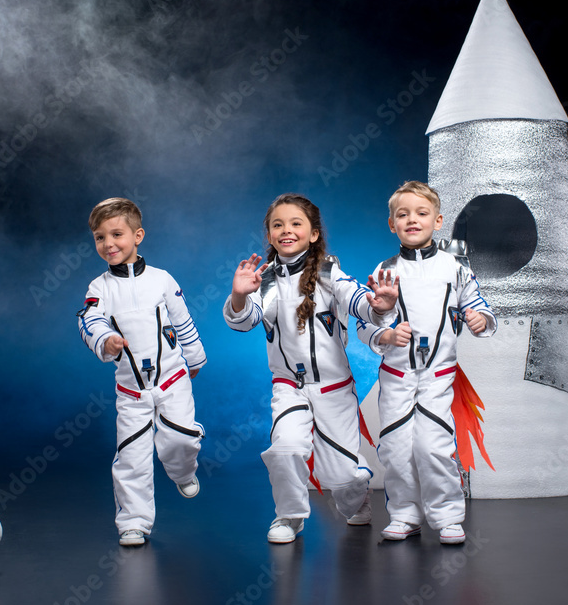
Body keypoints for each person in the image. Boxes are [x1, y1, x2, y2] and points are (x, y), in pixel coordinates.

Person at [223, 193, 398, 544]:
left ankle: (356, 498)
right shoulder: (264, 280)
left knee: (343, 477)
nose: (286, 230)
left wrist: (380, 305)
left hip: (333, 388)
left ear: (314, 234)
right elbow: (244, 321)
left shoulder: (329, 273)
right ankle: (289, 515)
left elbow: (357, 300)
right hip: (289, 386)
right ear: (269, 235)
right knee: (285, 448)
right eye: (278, 225)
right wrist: (240, 295)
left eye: (295, 223)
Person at [356, 181, 496, 545]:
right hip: (397, 374)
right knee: (396, 447)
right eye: (403, 215)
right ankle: (405, 515)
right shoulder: (385, 270)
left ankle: (448, 516)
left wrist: (480, 320)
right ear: (392, 224)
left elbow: (478, 305)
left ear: (438, 221)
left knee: (433, 445)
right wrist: (386, 333)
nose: (412, 220)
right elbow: (366, 322)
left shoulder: (455, 268)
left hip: (437, 374)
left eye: (421, 213)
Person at [76, 197, 205, 547]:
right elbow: (89, 320)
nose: (108, 243)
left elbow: (182, 319)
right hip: (132, 391)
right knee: (131, 456)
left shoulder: (162, 280)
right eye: (100, 237)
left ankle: (182, 471)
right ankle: (133, 521)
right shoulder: (99, 288)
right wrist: (105, 340)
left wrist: (195, 359)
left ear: (138, 235)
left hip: (172, 380)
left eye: (116, 234)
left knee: (181, 439)